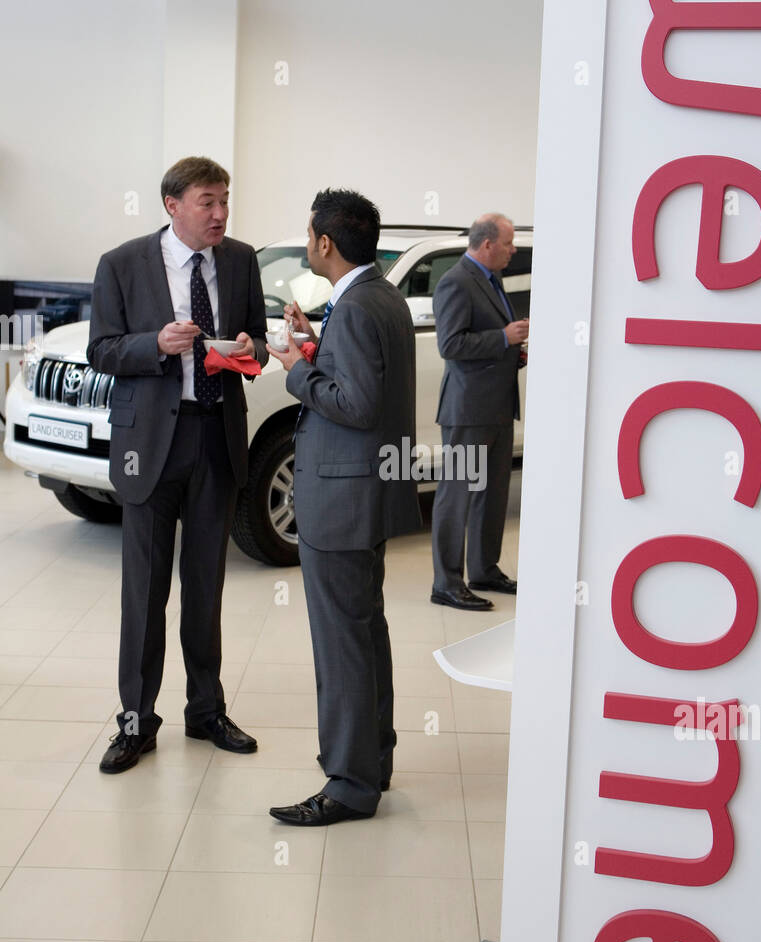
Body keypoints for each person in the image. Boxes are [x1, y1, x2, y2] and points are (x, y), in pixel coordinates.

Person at [87, 156, 269, 773]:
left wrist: (251, 347)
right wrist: (155, 345)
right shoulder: (122, 263)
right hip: (149, 447)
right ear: (173, 205)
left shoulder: (241, 260)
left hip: (215, 438)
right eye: (207, 202)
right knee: (144, 591)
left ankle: (206, 710)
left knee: (206, 588)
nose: (220, 213)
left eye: (225, 201)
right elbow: (102, 350)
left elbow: (260, 340)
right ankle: (136, 720)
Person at [266, 189, 421, 826]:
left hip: (341, 497)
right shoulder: (377, 297)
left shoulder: (356, 307)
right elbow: (366, 384)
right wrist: (314, 346)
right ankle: (372, 761)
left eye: (309, 235)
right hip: (365, 493)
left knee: (342, 646)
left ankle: (351, 785)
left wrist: (294, 372)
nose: (307, 244)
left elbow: (354, 404)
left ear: (324, 243)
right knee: (362, 634)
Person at [430, 213, 529, 609]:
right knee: (456, 497)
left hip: (497, 405)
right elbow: (450, 345)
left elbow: (484, 343)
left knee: (492, 495)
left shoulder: (491, 278)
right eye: (508, 242)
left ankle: (485, 570)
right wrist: (502, 337)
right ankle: (446, 584)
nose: (514, 249)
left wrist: (512, 352)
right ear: (487, 244)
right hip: (468, 409)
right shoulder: (456, 281)